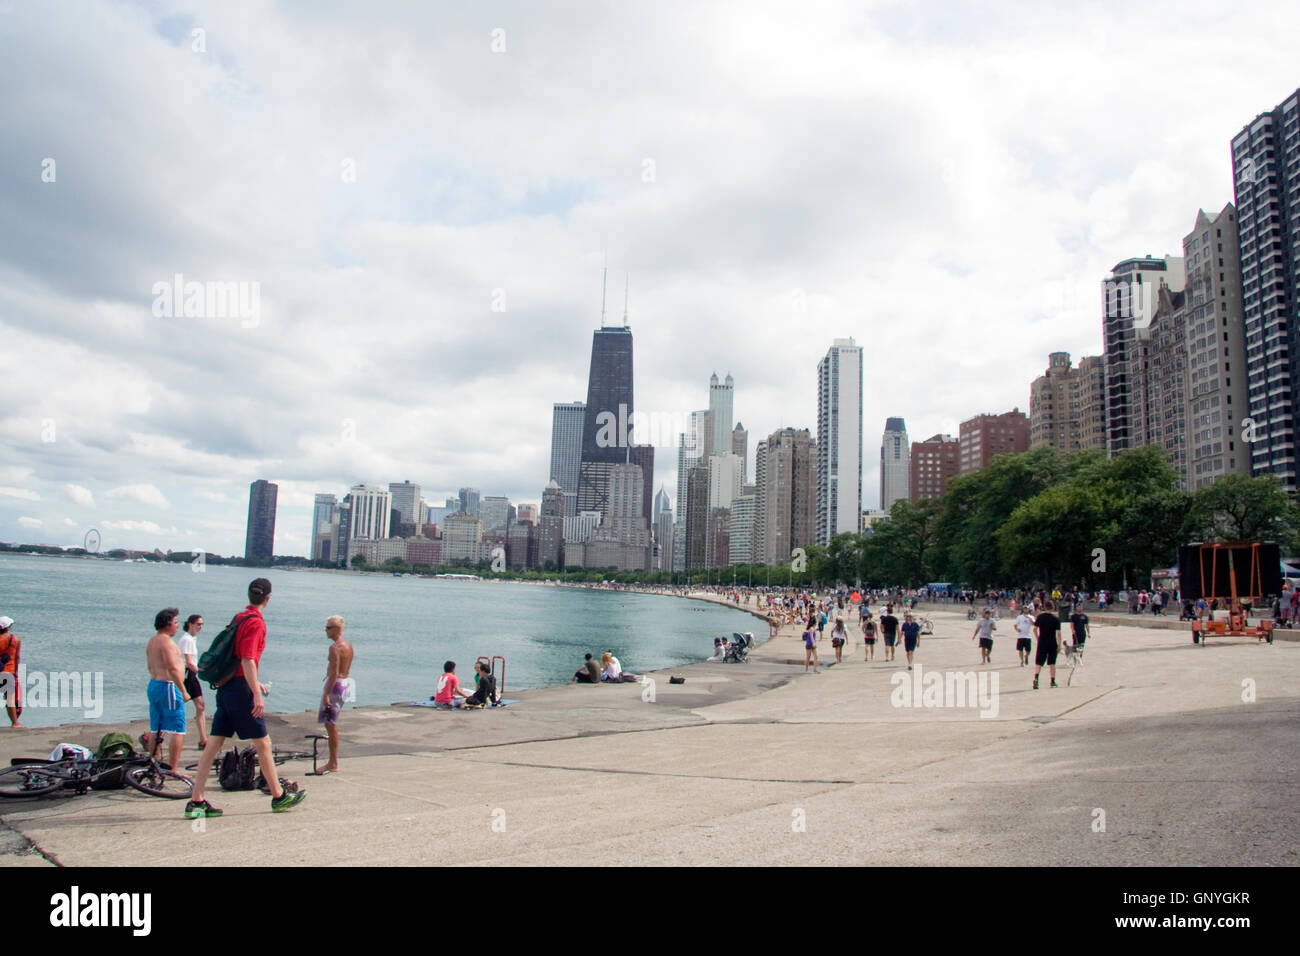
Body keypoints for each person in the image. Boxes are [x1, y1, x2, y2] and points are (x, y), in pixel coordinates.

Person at [184, 578, 306, 819]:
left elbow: (238, 659)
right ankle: (278, 796)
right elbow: (247, 660)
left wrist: (254, 682)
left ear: (249, 595)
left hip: (227, 688)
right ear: (268, 599)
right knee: (263, 743)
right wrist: (257, 694)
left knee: (213, 744)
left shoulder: (239, 618)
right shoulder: (257, 624)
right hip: (241, 690)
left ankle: (196, 801)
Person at [142, 608, 190, 771]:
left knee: (156, 727)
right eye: (176, 623)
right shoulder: (166, 642)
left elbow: (150, 665)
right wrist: (183, 690)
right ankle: (174, 769)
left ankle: (153, 765)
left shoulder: (152, 641)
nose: (178, 626)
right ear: (167, 624)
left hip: (154, 685)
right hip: (168, 686)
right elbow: (172, 668)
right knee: (178, 729)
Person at [317, 615, 354, 772]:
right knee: (330, 723)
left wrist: (326, 693)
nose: (326, 630)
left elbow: (334, 672)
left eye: (329, 627)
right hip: (345, 684)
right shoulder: (348, 645)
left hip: (336, 686)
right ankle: (333, 761)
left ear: (337, 629)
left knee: (330, 724)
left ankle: (333, 762)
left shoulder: (335, 648)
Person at [176, 614, 207, 749]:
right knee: (175, 706)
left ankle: (203, 739)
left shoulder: (190, 639)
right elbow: (188, 662)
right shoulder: (187, 639)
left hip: (190, 675)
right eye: (198, 624)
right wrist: (202, 672)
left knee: (200, 706)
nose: (200, 627)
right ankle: (151, 735)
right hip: (187, 675)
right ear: (190, 624)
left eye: (202, 624)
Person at [1032, 600, 1062, 689]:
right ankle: (1052, 681)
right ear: (1052, 608)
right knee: (1052, 663)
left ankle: (1036, 678)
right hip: (1052, 642)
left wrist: (1038, 639)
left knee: (1039, 662)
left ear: (1045, 607)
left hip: (1042, 642)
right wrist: (1059, 645)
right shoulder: (1055, 619)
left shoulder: (1040, 617)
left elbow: (1034, 629)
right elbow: (1059, 633)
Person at [0, 616, 22, 728]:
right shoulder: (15, 639)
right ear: (8, 627)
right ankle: (15, 723)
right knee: (10, 699)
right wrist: (16, 673)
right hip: (8, 672)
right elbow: (17, 658)